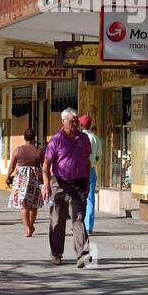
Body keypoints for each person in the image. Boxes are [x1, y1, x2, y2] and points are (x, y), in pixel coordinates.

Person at [42, 108, 93, 267]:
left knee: (78, 219)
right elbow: (46, 166)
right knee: (57, 221)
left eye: (76, 121)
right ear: (63, 122)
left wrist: (88, 181)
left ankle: (82, 254)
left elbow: (87, 161)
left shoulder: (83, 138)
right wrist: (46, 185)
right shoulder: (56, 140)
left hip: (78, 185)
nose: (75, 124)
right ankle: (56, 253)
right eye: (72, 121)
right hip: (59, 183)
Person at [6, 129, 44, 237]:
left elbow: (12, 165)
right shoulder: (39, 150)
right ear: (34, 138)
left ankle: (27, 228)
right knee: (33, 205)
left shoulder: (18, 150)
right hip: (34, 180)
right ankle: (30, 226)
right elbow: (44, 166)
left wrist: (7, 176)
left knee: (24, 205)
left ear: (24, 138)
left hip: (21, 180)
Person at [78, 115, 101, 234]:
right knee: (90, 198)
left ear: (81, 125)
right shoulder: (95, 138)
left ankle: (78, 223)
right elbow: (97, 156)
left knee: (78, 198)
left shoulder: (78, 138)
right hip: (91, 169)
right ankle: (89, 227)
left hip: (79, 171)